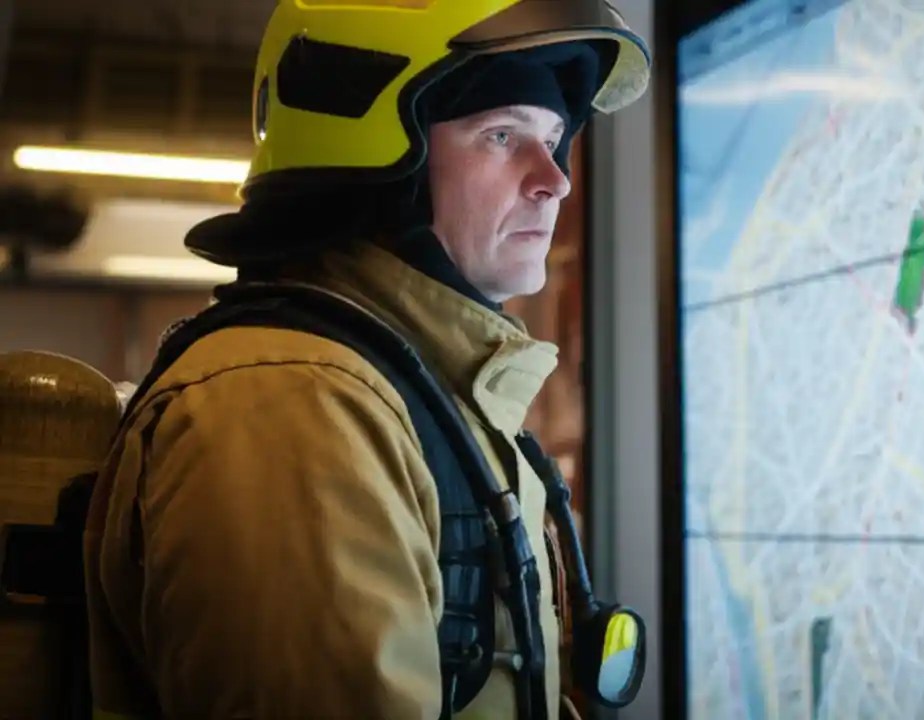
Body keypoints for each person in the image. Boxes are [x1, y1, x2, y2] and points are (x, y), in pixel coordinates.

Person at [81, 1, 651, 719]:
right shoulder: (293, 406)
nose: (554, 179)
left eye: (554, 137)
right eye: (502, 135)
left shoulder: (428, 393)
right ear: (378, 162)